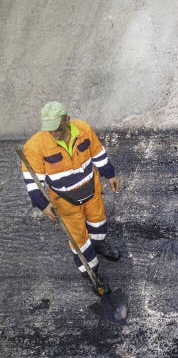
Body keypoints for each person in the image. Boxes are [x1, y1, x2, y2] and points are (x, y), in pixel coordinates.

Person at [21, 101, 121, 291]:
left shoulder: (83, 129)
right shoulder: (35, 146)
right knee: (79, 240)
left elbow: (98, 154)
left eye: (58, 128)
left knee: (98, 222)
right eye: (50, 130)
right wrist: (42, 204)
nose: (54, 133)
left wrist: (111, 174)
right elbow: (32, 180)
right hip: (65, 202)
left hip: (91, 191)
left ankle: (99, 245)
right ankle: (92, 273)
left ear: (67, 119)